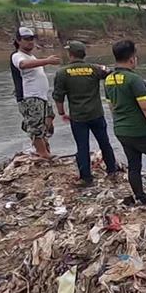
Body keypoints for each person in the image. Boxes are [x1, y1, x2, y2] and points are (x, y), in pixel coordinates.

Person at [104, 40, 146, 206]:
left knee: (134, 164)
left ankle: (140, 197)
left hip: (121, 130)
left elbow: (111, 106)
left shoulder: (109, 79)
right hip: (139, 130)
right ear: (132, 59)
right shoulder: (134, 80)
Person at [53, 41, 119, 187]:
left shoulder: (62, 73)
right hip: (96, 114)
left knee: (82, 147)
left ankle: (86, 178)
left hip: (78, 117)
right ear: (84, 54)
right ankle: (112, 170)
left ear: (70, 54)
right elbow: (112, 72)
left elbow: (58, 96)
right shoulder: (94, 69)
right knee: (105, 143)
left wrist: (62, 112)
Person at [10, 27, 60, 159]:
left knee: (49, 119)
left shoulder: (32, 56)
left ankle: (43, 148)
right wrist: (47, 61)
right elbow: (23, 65)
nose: (30, 42)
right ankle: (42, 152)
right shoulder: (17, 55)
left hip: (41, 96)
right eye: (26, 39)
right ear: (18, 41)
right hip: (30, 97)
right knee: (36, 125)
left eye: (32, 39)